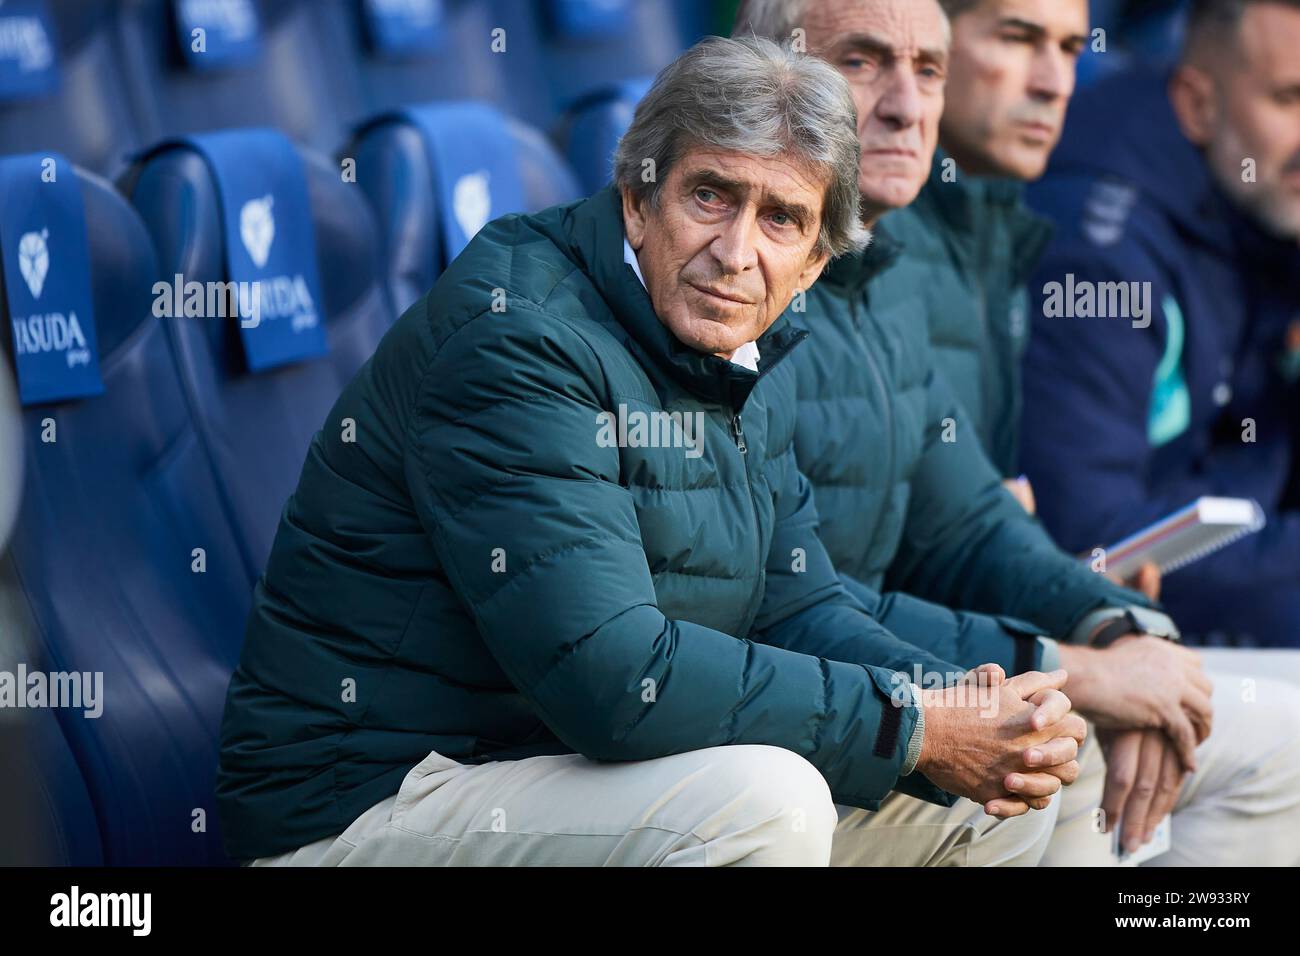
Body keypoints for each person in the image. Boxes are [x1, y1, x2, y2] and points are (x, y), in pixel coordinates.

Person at [216, 36, 1084, 868]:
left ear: (816, 263)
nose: (736, 253)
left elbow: (795, 606)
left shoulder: (751, 343)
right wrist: (913, 726)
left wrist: (973, 707)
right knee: (767, 801)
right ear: (638, 200)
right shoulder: (518, 340)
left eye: (781, 219)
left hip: (565, 779)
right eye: (711, 196)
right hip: (372, 805)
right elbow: (611, 676)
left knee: (1019, 781)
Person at [739, 0, 1300, 864]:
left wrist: (1122, 630)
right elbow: (779, 601)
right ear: (759, 78)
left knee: (1119, 736)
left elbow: (970, 524)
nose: (905, 105)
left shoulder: (881, 266)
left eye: (927, 70)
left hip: (895, 685)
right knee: (1054, 752)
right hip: (791, 724)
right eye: (861, 62)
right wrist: (1076, 665)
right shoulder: (726, 280)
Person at [1022, 0, 1300, 652]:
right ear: (1197, 105)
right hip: (1076, 655)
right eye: (1290, 99)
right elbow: (1089, 542)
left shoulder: (1264, 210)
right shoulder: (1101, 256)